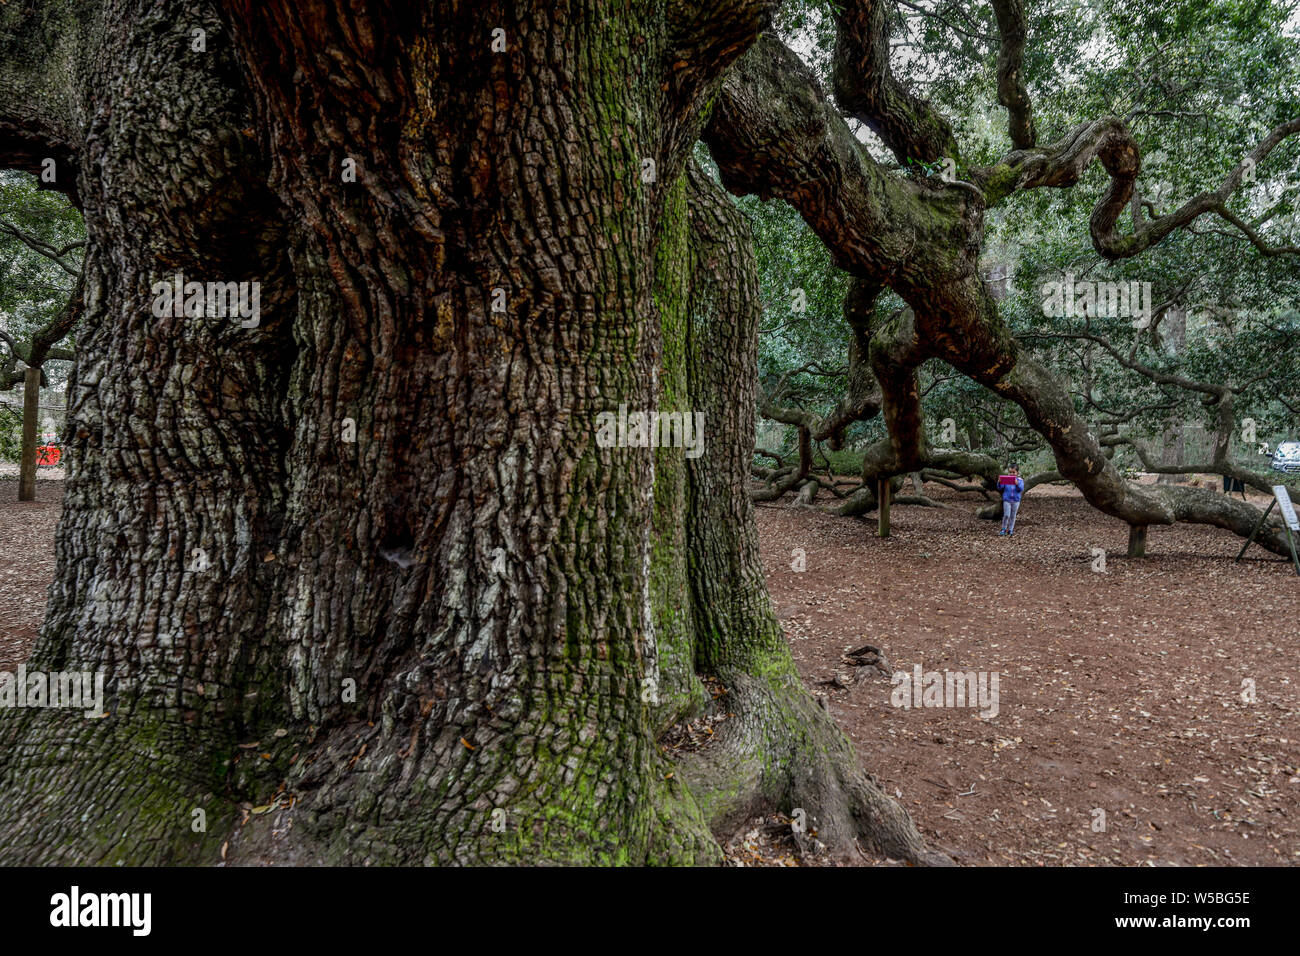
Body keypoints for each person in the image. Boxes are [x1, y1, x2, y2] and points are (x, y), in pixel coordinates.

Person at [999, 465, 1024, 536]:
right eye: (1010, 472)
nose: (1012, 474)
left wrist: (1017, 484)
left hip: (1016, 501)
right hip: (1007, 500)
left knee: (1013, 516)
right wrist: (999, 482)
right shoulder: (1006, 479)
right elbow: (1000, 488)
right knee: (1006, 515)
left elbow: (1021, 489)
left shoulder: (1020, 480)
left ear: (1017, 472)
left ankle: (1010, 529)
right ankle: (1003, 529)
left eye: (1013, 472)